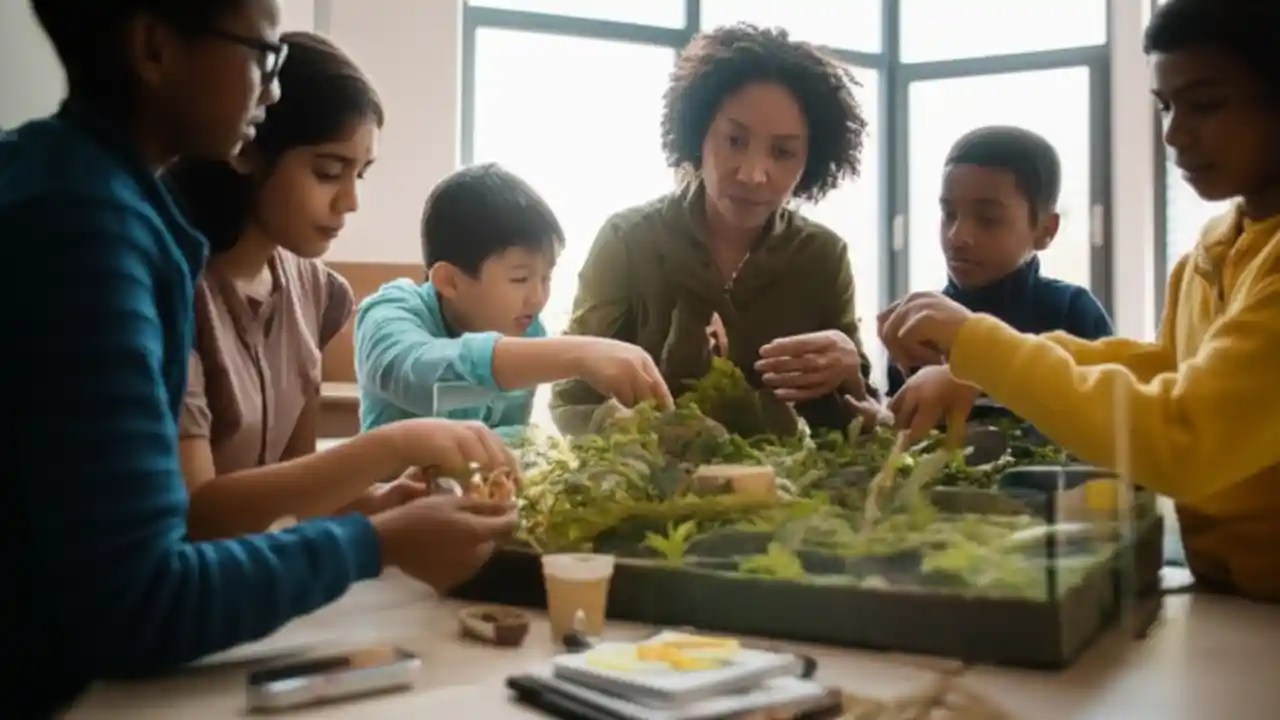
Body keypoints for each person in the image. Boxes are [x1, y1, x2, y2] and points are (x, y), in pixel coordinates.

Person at [1, 2, 515, 714]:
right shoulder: (86, 232)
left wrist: (367, 518)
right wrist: (371, 540)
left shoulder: (83, 195)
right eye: (261, 55)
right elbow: (142, 599)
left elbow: (266, 501)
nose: (270, 90)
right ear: (153, 47)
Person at [878, 0, 1280, 602]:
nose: (1173, 134)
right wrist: (982, 371)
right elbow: (1169, 368)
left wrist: (977, 345)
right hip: (1231, 593)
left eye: (1207, 104)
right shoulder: (1217, 247)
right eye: (1166, 107)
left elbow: (1183, 436)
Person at [550, 24, 885, 436]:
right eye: (734, 140)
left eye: (782, 152)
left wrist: (849, 372)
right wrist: (643, 433)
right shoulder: (628, 241)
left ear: (811, 161)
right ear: (699, 132)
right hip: (650, 493)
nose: (753, 174)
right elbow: (572, 397)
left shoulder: (823, 256)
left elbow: (862, 413)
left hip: (795, 496)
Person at [163, 31, 433, 539]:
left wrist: (377, 504)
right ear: (246, 148)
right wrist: (392, 446)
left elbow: (294, 490)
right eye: (329, 171)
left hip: (261, 583)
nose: (350, 201)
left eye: (361, 175)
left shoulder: (316, 292)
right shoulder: (174, 287)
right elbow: (197, 516)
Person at [355, 163, 673, 437]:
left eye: (546, 278)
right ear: (449, 281)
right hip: (391, 504)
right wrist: (578, 353)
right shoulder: (389, 313)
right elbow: (421, 380)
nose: (538, 297)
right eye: (520, 279)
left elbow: (507, 436)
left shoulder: (528, 332)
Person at [886, 125, 1113, 397]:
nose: (958, 236)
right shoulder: (921, 324)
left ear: (1045, 231)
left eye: (987, 219)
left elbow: (1106, 416)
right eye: (949, 213)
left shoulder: (1072, 312)